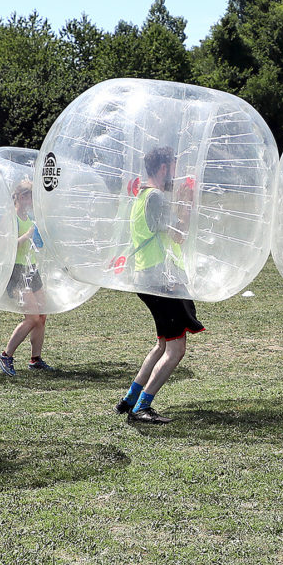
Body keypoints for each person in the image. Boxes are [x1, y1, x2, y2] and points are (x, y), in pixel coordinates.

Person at [115, 146, 202, 424]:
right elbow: (179, 235)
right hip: (160, 280)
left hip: (147, 277)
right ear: (164, 168)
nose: (175, 174)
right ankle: (142, 407)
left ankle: (129, 399)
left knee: (163, 344)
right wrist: (187, 204)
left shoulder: (142, 196)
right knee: (176, 349)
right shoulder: (156, 198)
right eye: (174, 167)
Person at [0, 180, 55, 376]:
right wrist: (28, 235)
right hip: (16, 270)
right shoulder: (11, 218)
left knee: (42, 314)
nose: (32, 200)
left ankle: (35, 359)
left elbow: (34, 245)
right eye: (30, 196)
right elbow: (7, 246)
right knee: (31, 317)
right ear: (20, 197)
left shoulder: (29, 218)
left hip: (31, 268)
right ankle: (6, 355)